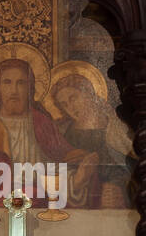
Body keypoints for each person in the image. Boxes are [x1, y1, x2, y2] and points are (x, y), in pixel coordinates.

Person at [0, 57, 95, 206]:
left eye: (21, 83)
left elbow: (58, 163)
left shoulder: (41, 123)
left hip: (36, 201)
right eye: (7, 82)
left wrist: (77, 179)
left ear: (29, 88)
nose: (14, 90)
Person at [49, 72, 131, 208]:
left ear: (88, 94)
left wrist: (117, 187)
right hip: (78, 201)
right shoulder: (62, 132)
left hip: (113, 197)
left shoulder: (114, 126)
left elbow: (127, 164)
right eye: (64, 104)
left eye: (73, 98)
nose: (71, 107)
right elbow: (54, 170)